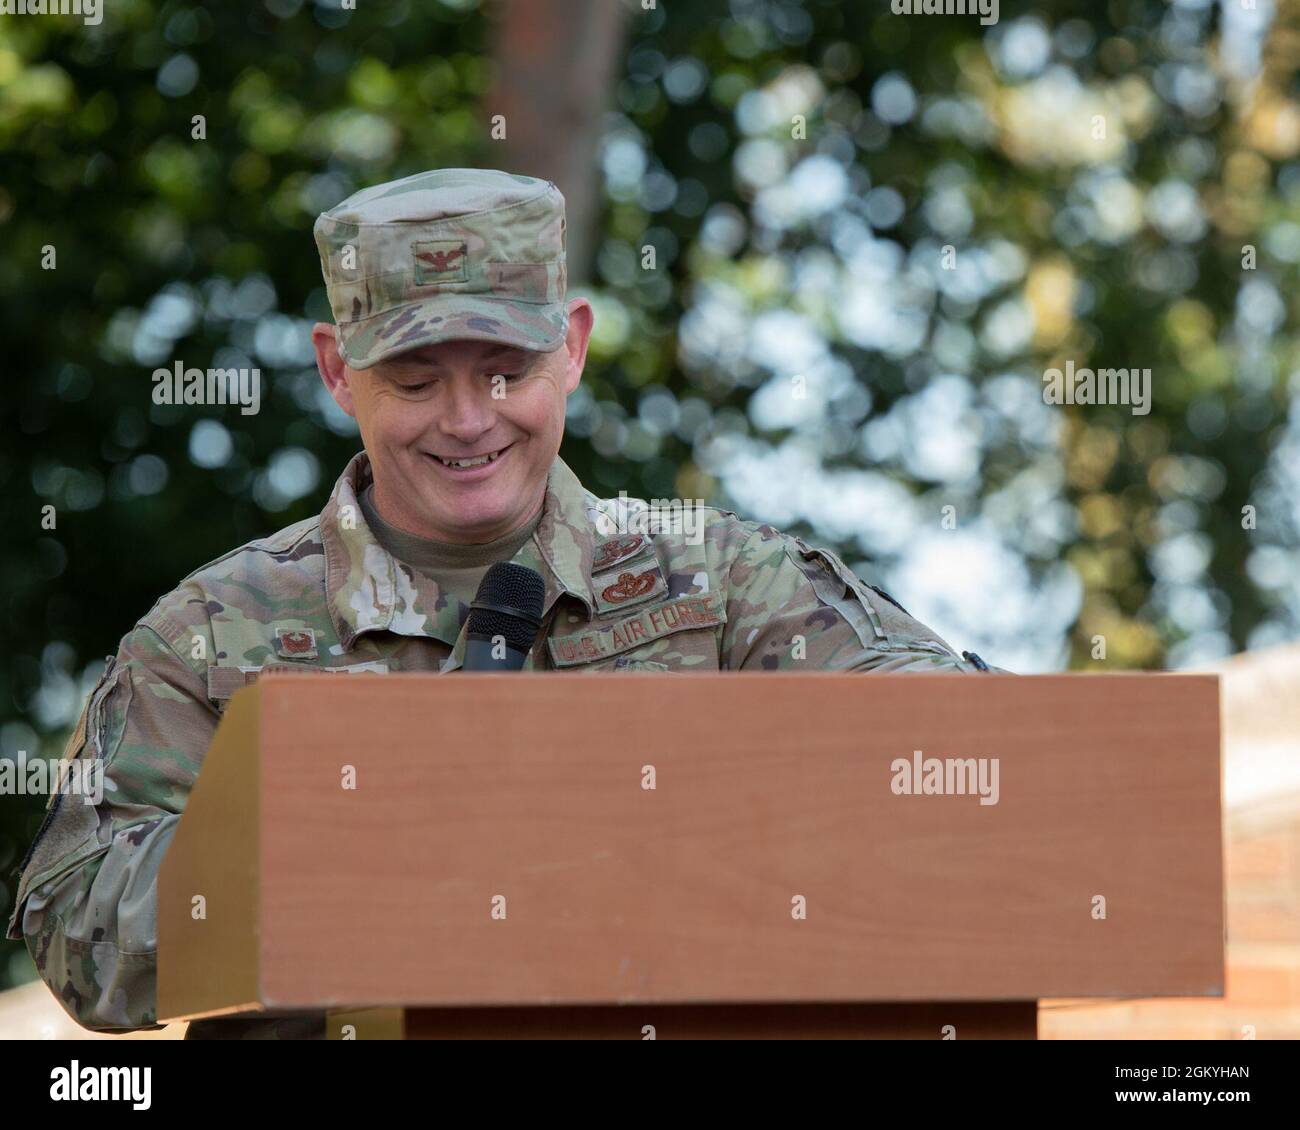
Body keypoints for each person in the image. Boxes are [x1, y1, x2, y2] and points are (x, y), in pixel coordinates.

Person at [7, 168, 998, 1039]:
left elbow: (974, 768)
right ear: (338, 371)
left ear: (570, 348)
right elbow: (76, 927)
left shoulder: (728, 585)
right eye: (415, 377)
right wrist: (347, 843)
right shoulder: (213, 633)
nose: (468, 419)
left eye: (505, 370)